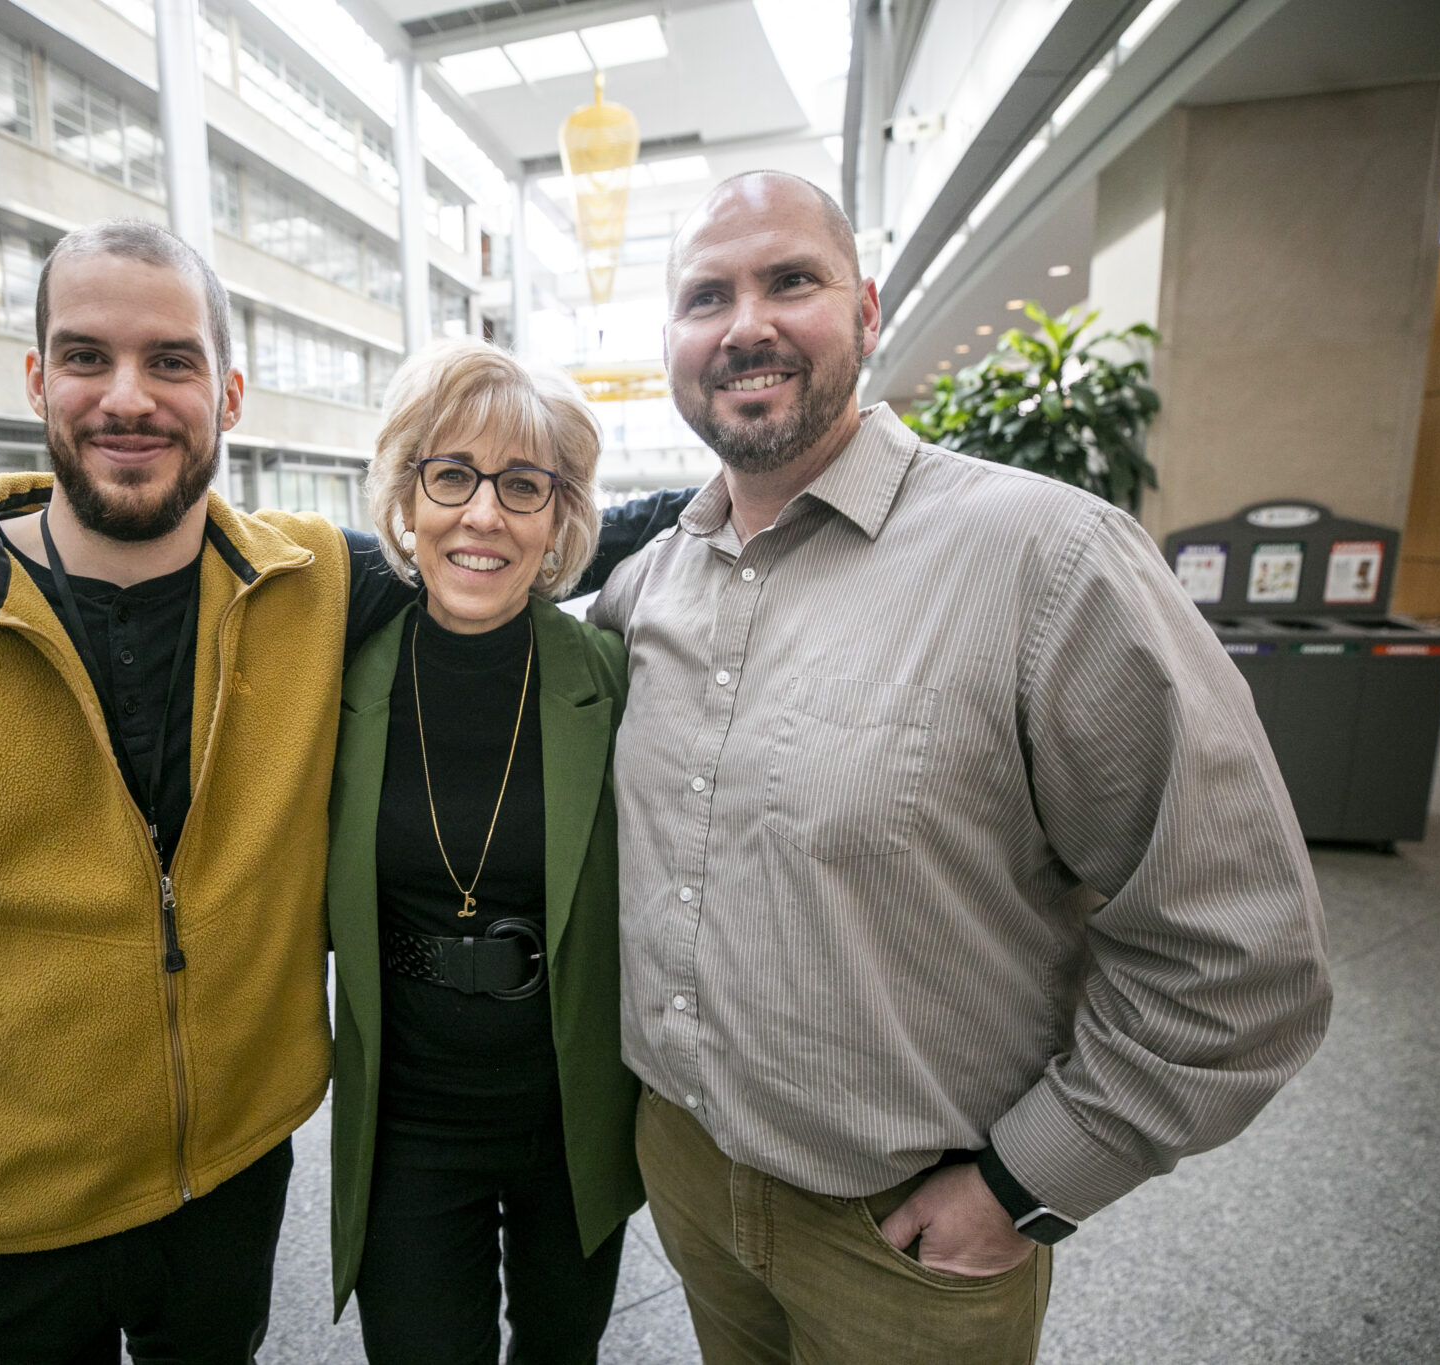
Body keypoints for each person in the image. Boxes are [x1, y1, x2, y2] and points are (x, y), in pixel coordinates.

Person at [0, 220, 688, 1365]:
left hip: (228, 1187)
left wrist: (763, 477)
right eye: (86, 356)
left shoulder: (307, 584)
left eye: (171, 360)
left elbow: (496, 540)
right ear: (36, 378)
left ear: (228, 394)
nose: (128, 396)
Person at [588, 171, 1333, 1365]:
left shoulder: (1045, 561)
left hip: (907, 1237)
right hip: (683, 1169)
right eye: (704, 296)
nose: (744, 325)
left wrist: (1026, 1184)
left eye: (790, 280)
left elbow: (1240, 942)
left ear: (865, 312)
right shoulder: (643, 590)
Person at [325, 339, 642, 1364]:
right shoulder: (337, 679)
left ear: (559, 519)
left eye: (522, 485)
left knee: (562, 1349)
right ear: (405, 498)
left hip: (570, 1104)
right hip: (410, 1119)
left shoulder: (614, 677)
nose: (483, 514)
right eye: (452, 475)